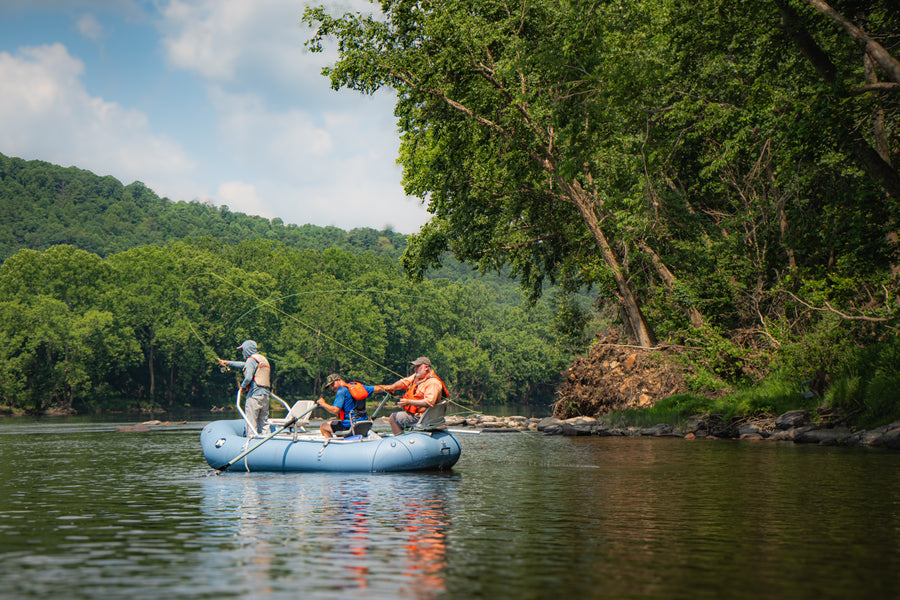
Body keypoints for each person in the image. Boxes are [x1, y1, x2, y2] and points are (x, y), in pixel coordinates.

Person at [373, 357, 449, 435]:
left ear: (426, 367)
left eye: (418, 366)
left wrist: (408, 402)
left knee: (393, 418)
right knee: (400, 415)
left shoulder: (433, 383)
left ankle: (400, 440)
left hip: (423, 417)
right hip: (419, 415)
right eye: (415, 366)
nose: (415, 369)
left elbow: (429, 402)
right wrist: (392, 387)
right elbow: (404, 382)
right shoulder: (417, 376)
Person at [218, 340, 271, 435]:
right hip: (265, 395)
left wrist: (242, 387)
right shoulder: (261, 359)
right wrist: (228, 363)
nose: (242, 352)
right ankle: (268, 438)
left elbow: (248, 377)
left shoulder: (251, 360)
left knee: (251, 421)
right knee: (264, 421)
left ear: (247, 350)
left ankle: (251, 440)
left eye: (242, 350)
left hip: (254, 395)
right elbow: (244, 365)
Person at [316, 373, 374, 438]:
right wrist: (386, 388)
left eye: (333, 384)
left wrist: (323, 403)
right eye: (330, 386)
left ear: (339, 380)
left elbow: (335, 410)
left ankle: (332, 446)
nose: (332, 388)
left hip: (349, 426)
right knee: (336, 424)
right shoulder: (358, 387)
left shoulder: (341, 390)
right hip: (364, 424)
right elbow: (377, 389)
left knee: (323, 426)